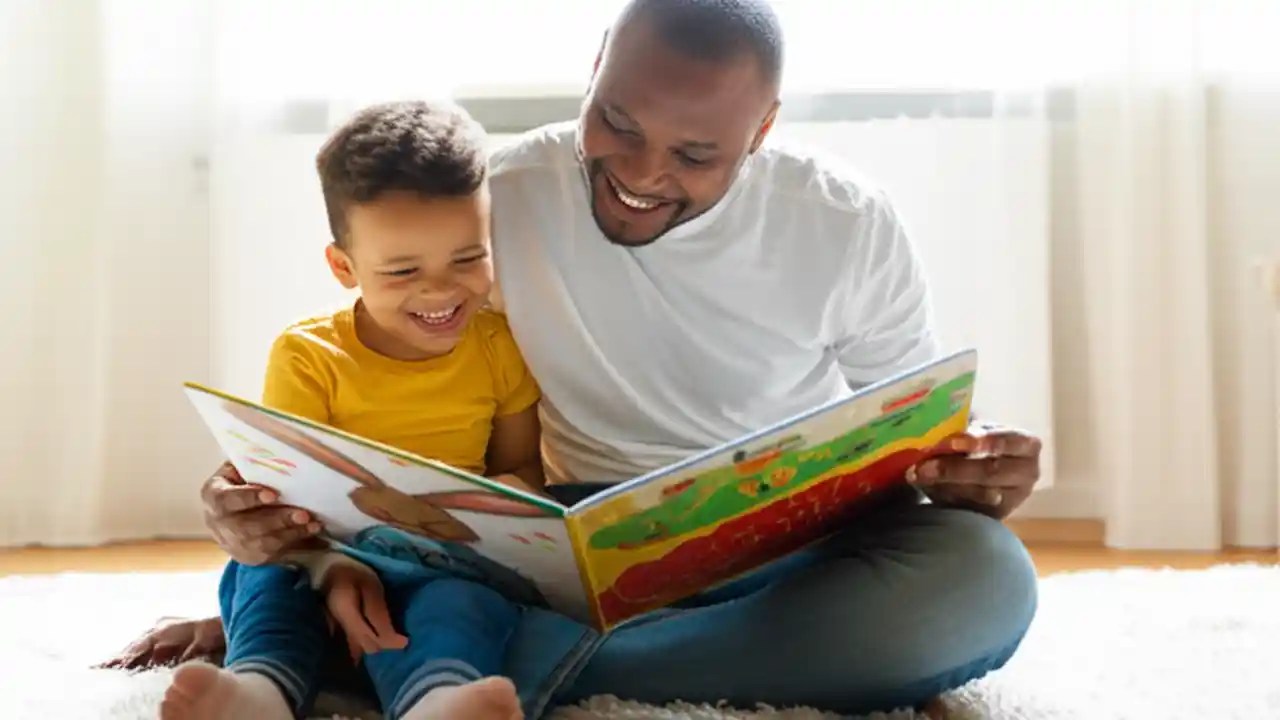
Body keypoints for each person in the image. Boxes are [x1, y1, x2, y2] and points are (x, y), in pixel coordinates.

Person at [105, 0, 1041, 717]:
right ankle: (403, 648)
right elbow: (377, 375)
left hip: (784, 550)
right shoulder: (501, 200)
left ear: (762, 131)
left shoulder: (844, 222)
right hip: (566, 544)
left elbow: (908, 430)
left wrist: (972, 478)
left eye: (696, 154)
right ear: (594, 69)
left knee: (982, 576)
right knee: (437, 558)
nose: (640, 173)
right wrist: (267, 531)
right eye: (620, 124)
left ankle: (442, 661)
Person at [157, 101, 542, 720]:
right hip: (320, 555)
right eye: (402, 270)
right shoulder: (309, 356)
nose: (441, 290)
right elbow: (279, 504)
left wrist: (491, 513)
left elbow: (523, 469)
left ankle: (437, 701)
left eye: (467, 259)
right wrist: (330, 566)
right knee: (261, 578)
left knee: (465, 604)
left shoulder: (498, 346)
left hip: (447, 560)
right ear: (344, 267)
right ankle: (258, 693)